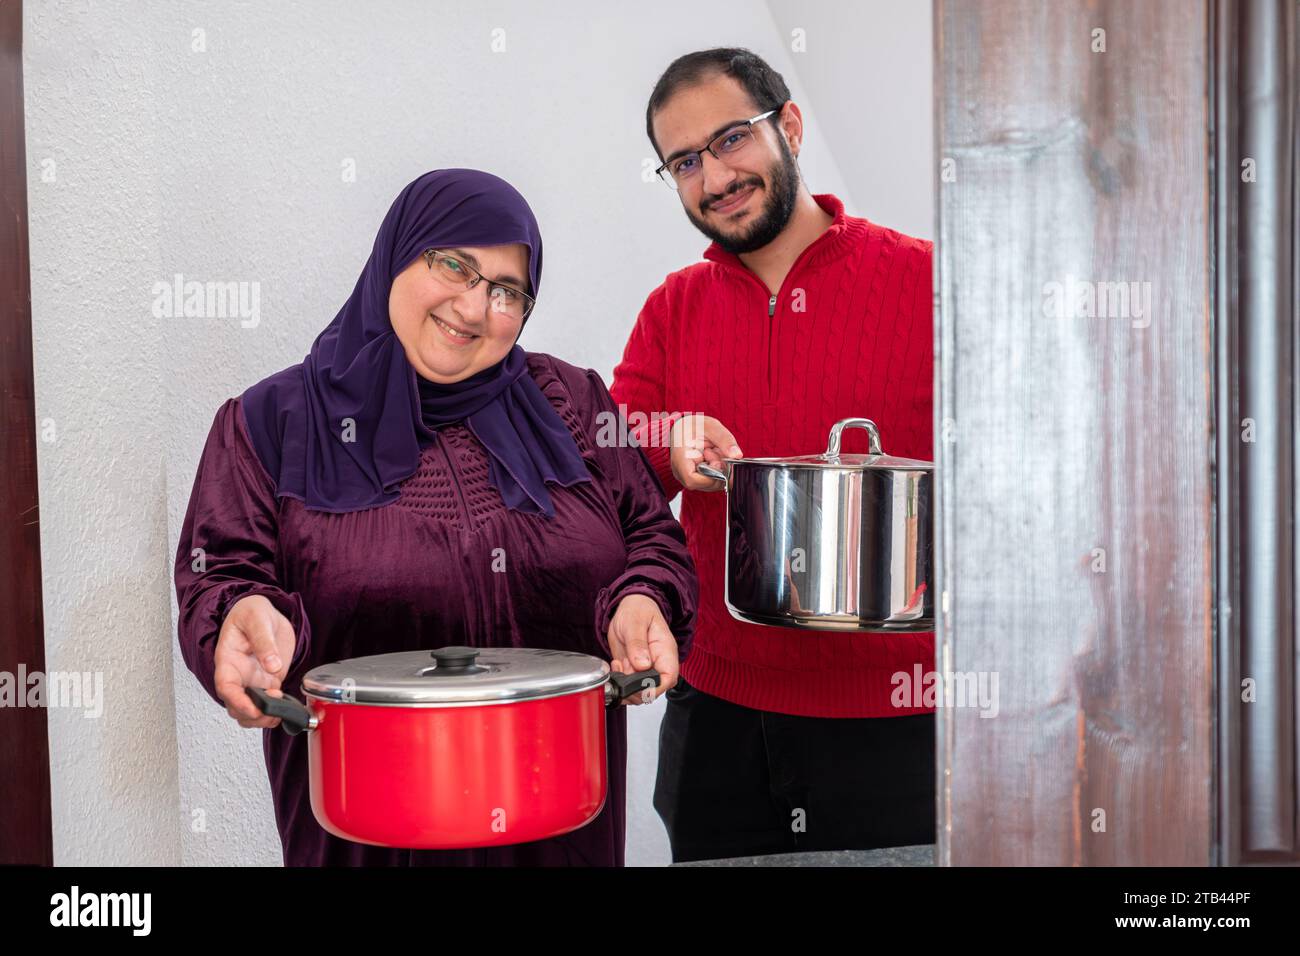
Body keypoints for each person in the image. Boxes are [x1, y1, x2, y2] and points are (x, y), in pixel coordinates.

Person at [174, 168, 697, 866]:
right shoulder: (270, 422)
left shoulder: (574, 403)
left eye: (507, 291)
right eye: (454, 265)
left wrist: (644, 596)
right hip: (367, 838)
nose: (475, 309)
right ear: (401, 249)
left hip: (562, 829)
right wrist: (236, 615)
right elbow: (221, 571)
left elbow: (651, 539)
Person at [611, 48, 935, 862]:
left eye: (730, 140)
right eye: (684, 162)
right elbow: (605, 463)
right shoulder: (672, 308)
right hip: (719, 720)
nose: (714, 177)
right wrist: (666, 442)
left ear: (789, 124)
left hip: (904, 722)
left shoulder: (930, 284)